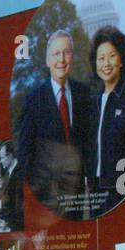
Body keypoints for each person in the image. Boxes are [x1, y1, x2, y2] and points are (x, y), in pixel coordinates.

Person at [15, 29, 91, 214]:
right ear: (48, 60)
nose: (62, 59)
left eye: (66, 52)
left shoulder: (84, 94)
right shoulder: (34, 100)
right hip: (46, 197)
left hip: (76, 194)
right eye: (56, 53)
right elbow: (25, 153)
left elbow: (89, 143)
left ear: (72, 57)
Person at [86, 26, 125, 212]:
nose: (106, 63)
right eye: (101, 58)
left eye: (112, 56)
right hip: (96, 189)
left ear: (121, 59)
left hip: (122, 190)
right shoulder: (95, 101)